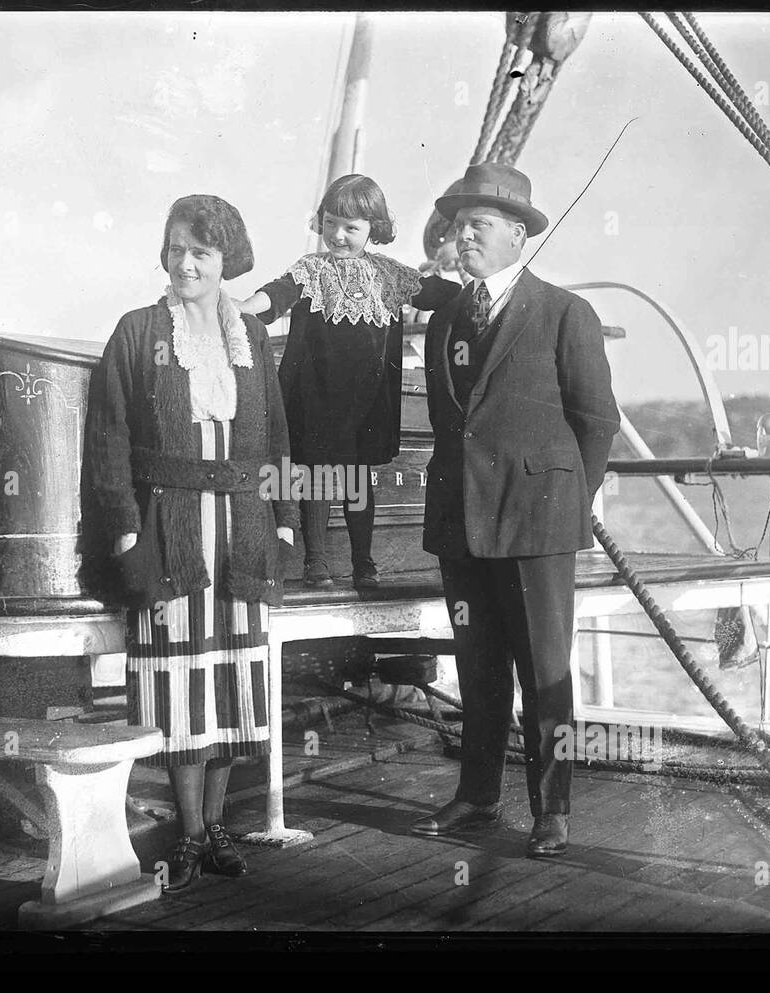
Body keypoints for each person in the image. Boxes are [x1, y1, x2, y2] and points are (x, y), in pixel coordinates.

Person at [80, 194, 298, 891]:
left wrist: (284, 514)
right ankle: (192, 831)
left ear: (225, 257)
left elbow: (278, 434)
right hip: (168, 531)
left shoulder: (253, 337)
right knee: (177, 686)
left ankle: (219, 825)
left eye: (199, 251)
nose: (184, 263)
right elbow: (108, 439)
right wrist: (122, 526)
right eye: (175, 249)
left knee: (234, 682)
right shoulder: (138, 332)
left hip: (243, 531)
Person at [409, 162, 620, 857]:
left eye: (478, 225)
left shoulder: (565, 313)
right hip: (463, 528)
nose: (461, 236)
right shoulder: (446, 318)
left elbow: (596, 421)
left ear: (516, 238)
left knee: (545, 672)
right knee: (477, 666)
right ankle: (476, 797)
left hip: (537, 526)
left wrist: (566, 504)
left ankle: (551, 808)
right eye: (458, 225)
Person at [236, 174, 460, 589]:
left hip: (367, 400)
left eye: (351, 228)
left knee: (358, 480)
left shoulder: (392, 276)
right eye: (331, 223)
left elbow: (443, 296)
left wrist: (481, 291)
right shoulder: (310, 270)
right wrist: (242, 308)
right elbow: (276, 296)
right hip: (314, 394)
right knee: (317, 475)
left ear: (374, 229)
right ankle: (316, 562)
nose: (338, 235)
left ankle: (363, 563)